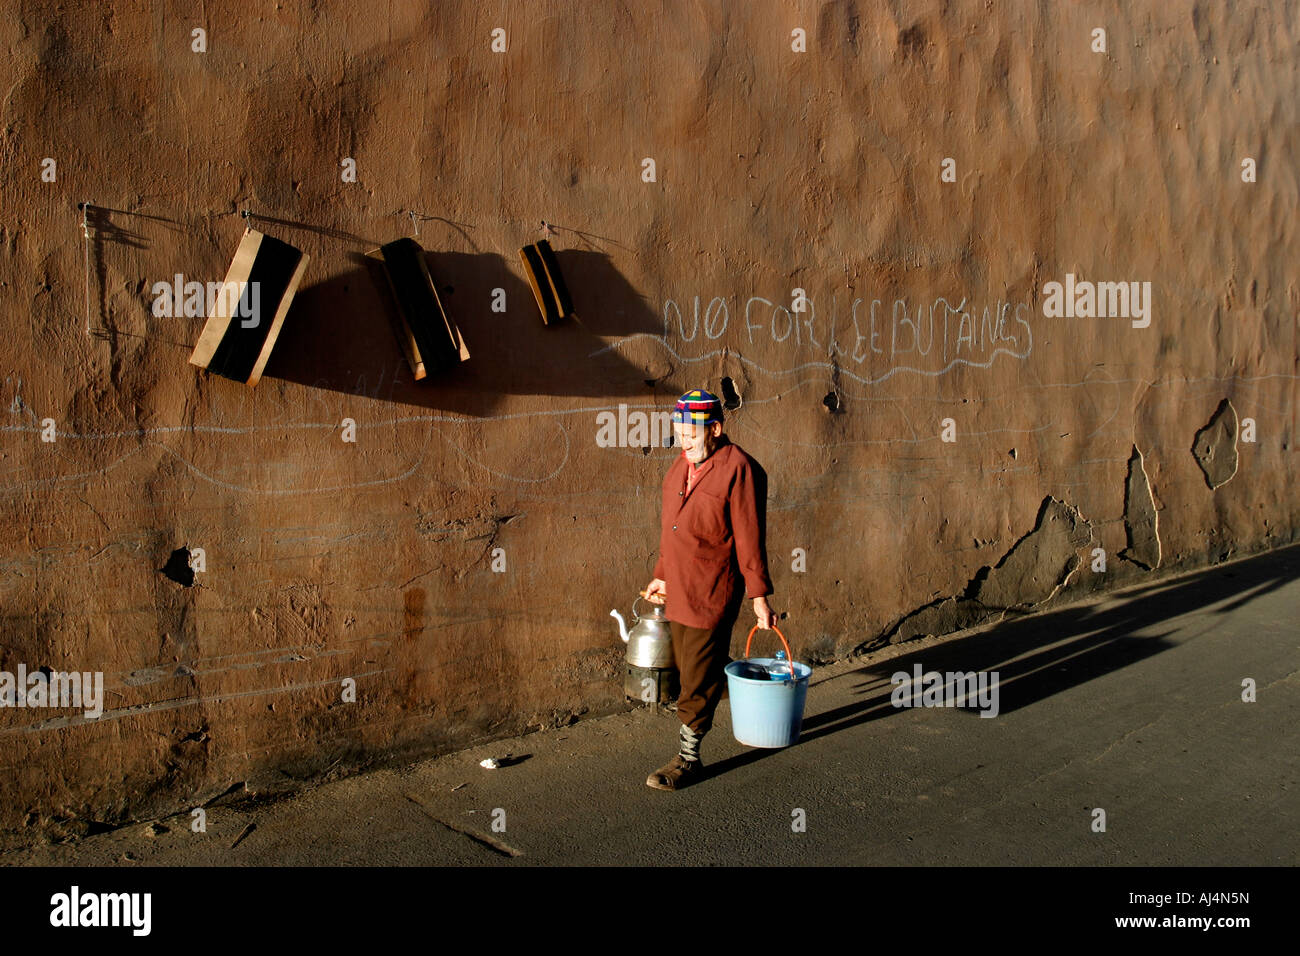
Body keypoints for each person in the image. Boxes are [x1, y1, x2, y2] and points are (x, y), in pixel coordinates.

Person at [644, 388, 777, 790]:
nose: (683, 440)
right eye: (678, 431)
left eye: (691, 432)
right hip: (680, 587)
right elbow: (673, 529)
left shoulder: (739, 469)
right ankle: (727, 684)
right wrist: (661, 575)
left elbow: (750, 538)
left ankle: (688, 758)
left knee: (696, 676)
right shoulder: (679, 469)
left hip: (713, 590)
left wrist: (759, 597)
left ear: (715, 428)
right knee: (690, 666)